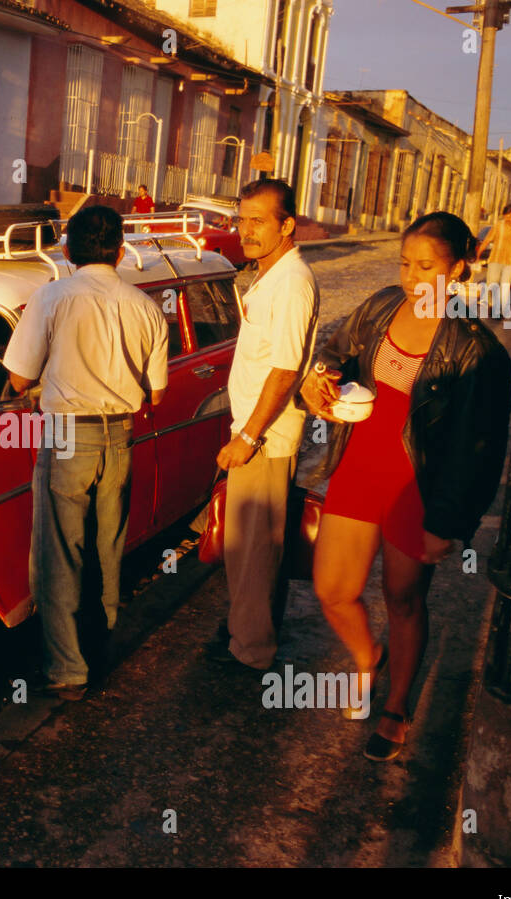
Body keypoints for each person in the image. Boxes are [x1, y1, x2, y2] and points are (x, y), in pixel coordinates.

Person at [300, 211, 511, 761]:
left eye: (427, 266)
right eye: (405, 263)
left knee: (403, 598)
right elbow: (335, 350)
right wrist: (319, 382)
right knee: (332, 589)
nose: (413, 277)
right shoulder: (379, 306)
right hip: (358, 467)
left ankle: (396, 704)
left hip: (417, 485)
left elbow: (481, 450)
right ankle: (370, 656)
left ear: (460, 269)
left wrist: (450, 524)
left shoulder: (477, 350)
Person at [3, 205, 168, 701]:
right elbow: (156, 393)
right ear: (120, 252)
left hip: (67, 434)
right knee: (106, 547)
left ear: (68, 250)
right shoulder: (144, 305)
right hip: (119, 435)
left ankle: (67, 670)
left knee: (58, 554)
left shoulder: (51, 297)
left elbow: (17, 378)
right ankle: (99, 643)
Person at [207, 179, 320, 674]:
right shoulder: (268, 276)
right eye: (241, 219)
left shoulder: (292, 282)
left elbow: (285, 369)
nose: (245, 231)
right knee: (248, 548)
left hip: (265, 439)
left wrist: (247, 437)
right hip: (256, 433)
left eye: (258, 221)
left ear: (287, 225)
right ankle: (245, 632)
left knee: (254, 553)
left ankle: (251, 652)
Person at [477, 203, 511, 309]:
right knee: (492, 283)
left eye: (509, 216)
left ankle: (499, 308)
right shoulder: (498, 225)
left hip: (510, 261)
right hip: (495, 259)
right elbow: (487, 240)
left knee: (505, 286)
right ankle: (490, 303)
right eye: (505, 216)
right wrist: (478, 254)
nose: (507, 218)